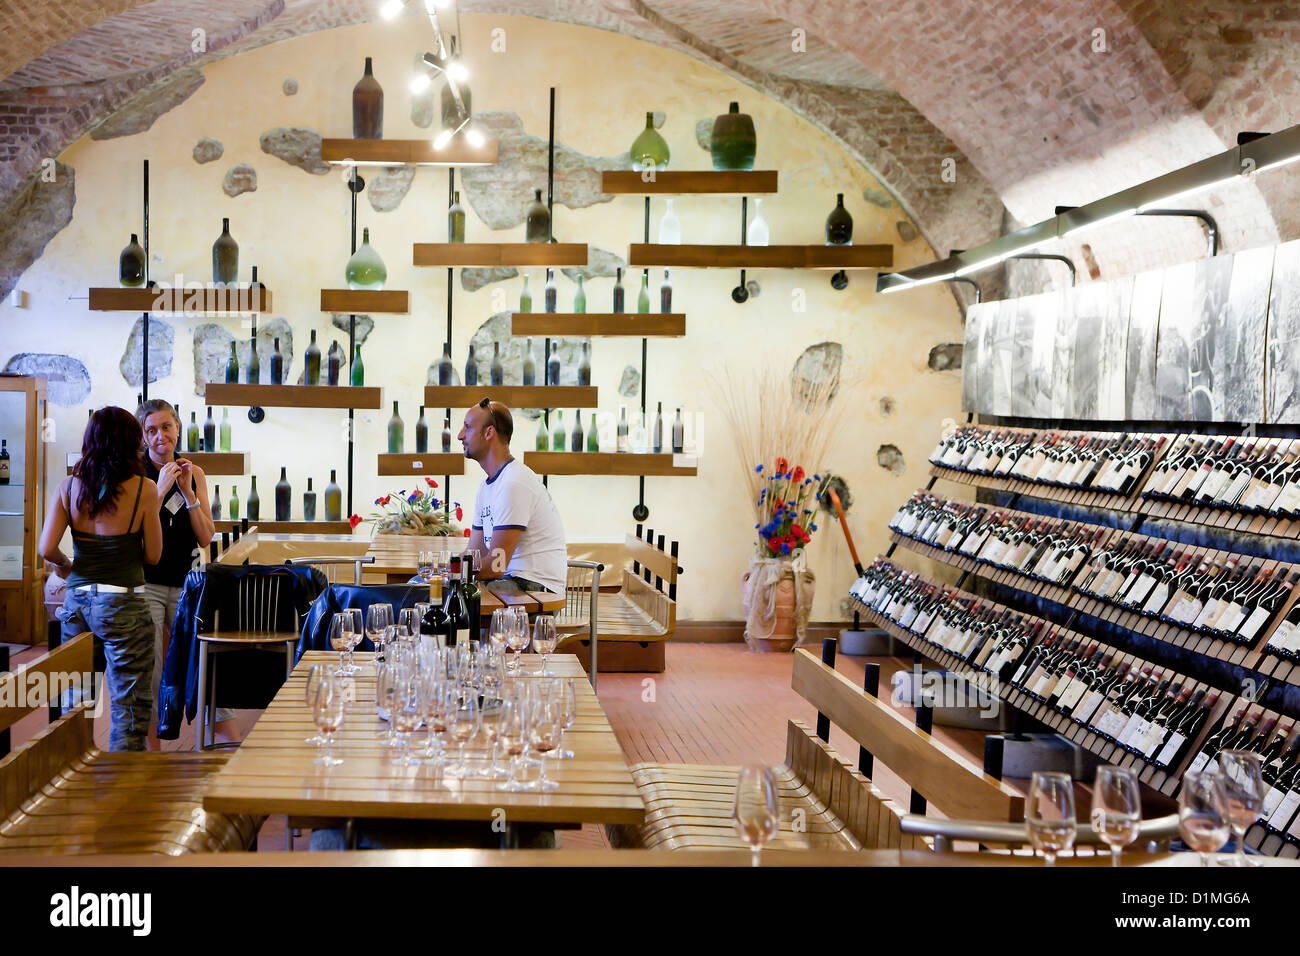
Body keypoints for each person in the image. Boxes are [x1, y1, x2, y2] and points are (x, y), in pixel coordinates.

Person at [38, 407, 162, 752]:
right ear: (131, 443)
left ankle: (72, 771)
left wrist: (66, 566)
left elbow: (46, 547)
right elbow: (153, 555)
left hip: (77, 603)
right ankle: (121, 785)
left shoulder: (69, 487)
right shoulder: (145, 490)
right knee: (129, 705)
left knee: (76, 699)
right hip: (124, 602)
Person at [135, 400, 236, 750]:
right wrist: (159, 489)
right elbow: (132, 533)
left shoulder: (195, 471)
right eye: (152, 430)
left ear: (178, 428)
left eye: (166, 427)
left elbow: (206, 536)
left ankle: (223, 742)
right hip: (146, 581)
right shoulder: (136, 473)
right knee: (151, 667)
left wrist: (189, 493)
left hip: (188, 582)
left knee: (203, 657)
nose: (161, 436)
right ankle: (153, 754)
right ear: (144, 437)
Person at [458, 398, 566, 594]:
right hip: (510, 581)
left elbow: (495, 565)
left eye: (467, 427)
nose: (460, 435)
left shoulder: (514, 482)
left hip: (537, 587)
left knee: (454, 596)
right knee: (425, 587)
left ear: (489, 432)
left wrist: (450, 572)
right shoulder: (486, 487)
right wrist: (439, 569)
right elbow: (475, 553)